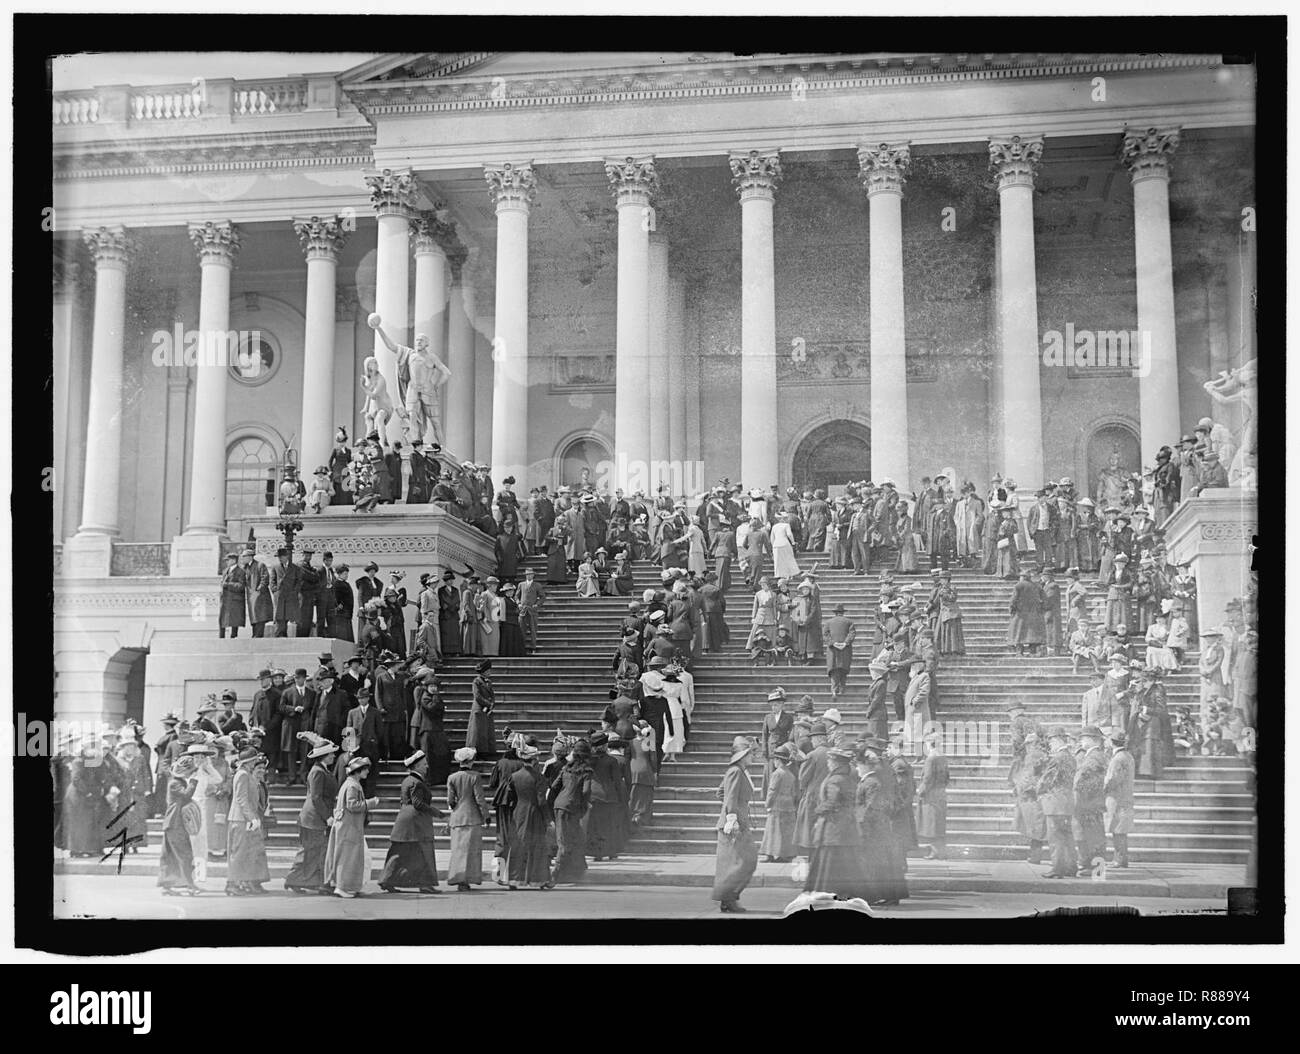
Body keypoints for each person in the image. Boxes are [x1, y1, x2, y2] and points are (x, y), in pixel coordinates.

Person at [379, 750, 446, 894]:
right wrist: (437, 813)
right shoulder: (417, 783)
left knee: (398, 852)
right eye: (424, 764)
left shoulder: (407, 780)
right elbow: (418, 803)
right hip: (416, 821)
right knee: (424, 851)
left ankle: (387, 880)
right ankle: (425, 884)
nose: (427, 766)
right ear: (416, 767)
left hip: (404, 819)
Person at [284, 737, 340, 893]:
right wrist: (327, 816)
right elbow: (316, 797)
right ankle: (294, 880)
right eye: (331, 754)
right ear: (324, 756)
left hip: (316, 816)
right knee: (309, 850)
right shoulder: (317, 772)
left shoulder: (322, 770)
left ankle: (309, 881)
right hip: (313, 817)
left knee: (315, 850)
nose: (333, 756)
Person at [711, 735, 759, 913]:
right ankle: (728, 898)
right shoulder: (735, 771)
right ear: (743, 755)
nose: (753, 756)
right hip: (734, 824)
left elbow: (721, 793)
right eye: (751, 753)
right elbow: (728, 795)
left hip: (739, 820)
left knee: (740, 862)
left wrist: (733, 808)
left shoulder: (740, 770)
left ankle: (728, 898)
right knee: (743, 862)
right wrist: (731, 815)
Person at [324, 755, 377, 898]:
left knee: (348, 857)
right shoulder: (353, 785)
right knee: (347, 858)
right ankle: (342, 887)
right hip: (349, 827)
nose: (367, 772)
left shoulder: (350, 783)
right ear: (358, 771)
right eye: (364, 769)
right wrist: (370, 803)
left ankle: (347, 885)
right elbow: (352, 805)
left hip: (348, 826)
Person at [225, 750, 271, 896]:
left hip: (243, 819)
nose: (254, 763)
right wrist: (252, 818)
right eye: (253, 760)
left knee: (244, 853)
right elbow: (241, 799)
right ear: (248, 761)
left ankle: (241, 882)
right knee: (238, 853)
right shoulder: (243, 775)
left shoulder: (245, 774)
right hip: (240, 819)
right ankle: (232, 884)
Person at [548, 739, 594, 884]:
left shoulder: (566, 768)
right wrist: (583, 806)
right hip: (572, 807)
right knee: (565, 842)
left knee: (575, 837)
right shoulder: (587, 771)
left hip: (560, 805)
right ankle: (555, 874)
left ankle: (575, 869)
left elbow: (554, 786)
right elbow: (586, 791)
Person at [1037, 728, 1077, 879]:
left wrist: (1039, 790)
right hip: (1067, 802)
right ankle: (1071, 867)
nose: (1050, 744)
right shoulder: (1070, 757)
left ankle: (1057, 869)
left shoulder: (1057, 758)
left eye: (1052, 740)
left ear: (1060, 740)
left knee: (1055, 839)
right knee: (1068, 837)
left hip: (1055, 803)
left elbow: (1047, 779)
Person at [759, 741, 799, 863]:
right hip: (788, 805)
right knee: (785, 831)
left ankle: (770, 854)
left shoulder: (777, 774)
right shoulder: (790, 774)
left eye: (775, 760)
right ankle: (785, 855)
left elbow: (772, 791)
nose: (774, 762)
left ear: (779, 760)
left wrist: (768, 804)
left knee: (772, 830)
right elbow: (793, 792)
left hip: (777, 805)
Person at [1104, 729, 1135, 868]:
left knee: (1118, 829)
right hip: (1125, 796)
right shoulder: (1127, 755)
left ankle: (1119, 859)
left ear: (1112, 742)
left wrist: (1103, 788)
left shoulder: (1118, 759)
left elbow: (1113, 780)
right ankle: (1121, 859)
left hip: (1117, 798)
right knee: (1120, 830)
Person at [916, 731, 949, 859]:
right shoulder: (942, 757)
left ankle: (935, 851)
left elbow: (928, 778)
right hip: (940, 793)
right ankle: (940, 850)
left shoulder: (931, 758)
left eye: (926, 743)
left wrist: (921, 791)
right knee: (938, 823)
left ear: (931, 743)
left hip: (930, 795)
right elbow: (947, 777)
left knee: (931, 825)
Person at [1008, 570, 1046, 656]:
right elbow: (1044, 598)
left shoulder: (1018, 585)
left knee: (1018, 632)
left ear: (1022, 577)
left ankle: (1019, 652)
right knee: (1032, 633)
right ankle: (1032, 651)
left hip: (1020, 613)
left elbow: (1014, 599)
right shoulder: (1037, 586)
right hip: (1034, 613)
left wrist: (1011, 609)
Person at [824, 604, 855, 698]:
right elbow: (852, 634)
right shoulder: (849, 622)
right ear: (842, 613)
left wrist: (833, 643)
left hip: (833, 650)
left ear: (835, 613)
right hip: (845, 649)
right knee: (843, 669)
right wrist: (845, 643)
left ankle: (834, 690)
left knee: (834, 670)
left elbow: (825, 634)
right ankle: (842, 689)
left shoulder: (828, 622)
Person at [467, 660, 497, 757]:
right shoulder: (476, 681)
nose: (489, 672)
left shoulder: (489, 682)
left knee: (487, 730)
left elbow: (492, 694)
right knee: (478, 731)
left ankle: (487, 750)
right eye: (488, 671)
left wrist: (492, 703)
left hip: (487, 709)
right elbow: (477, 696)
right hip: (479, 708)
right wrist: (488, 704)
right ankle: (478, 751)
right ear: (483, 671)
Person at [219, 552, 247, 638]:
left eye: (228, 560)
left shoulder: (241, 571)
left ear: (234, 560)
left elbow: (241, 586)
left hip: (235, 599)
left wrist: (227, 584)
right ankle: (221, 637)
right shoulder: (225, 571)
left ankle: (233, 637)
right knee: (222, 619)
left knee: (235, 620)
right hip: (225, 599)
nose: (227, 562)